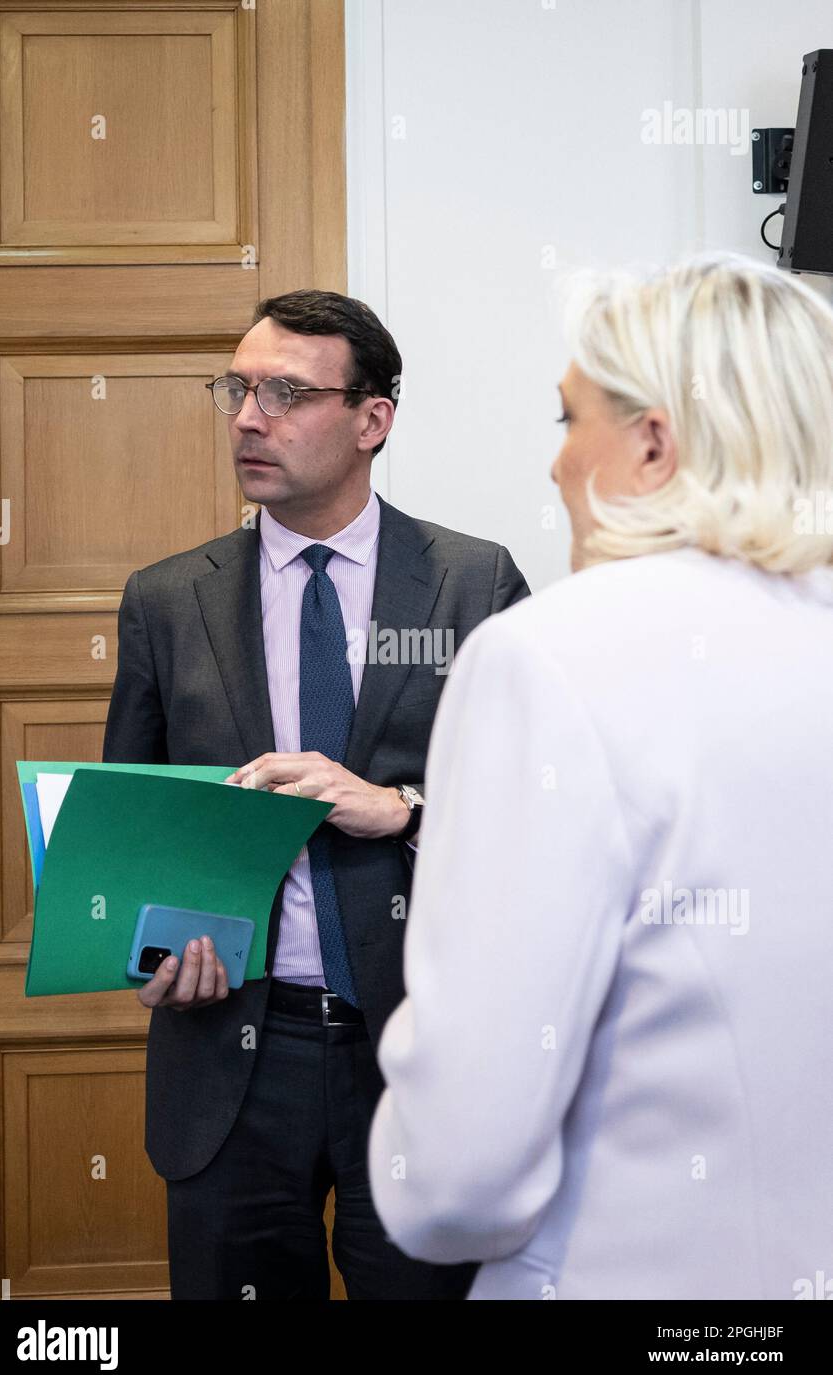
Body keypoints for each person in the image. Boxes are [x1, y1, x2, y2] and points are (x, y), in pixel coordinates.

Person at [367, 253, 833, 1300]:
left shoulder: (549, 658)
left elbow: (456, 1172)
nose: (553, 465)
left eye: (566, 420)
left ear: (654, 444)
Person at [102, 288, 530, 1300]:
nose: (248, 418)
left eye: (286, 393)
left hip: (416, 1054)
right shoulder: (167, 600)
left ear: (371, 420)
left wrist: (403, 808)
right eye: (238, 390)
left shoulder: (471, 585)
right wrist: (150, 955)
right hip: (231, 1061)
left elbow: (537, 819)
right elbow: (137, 829)